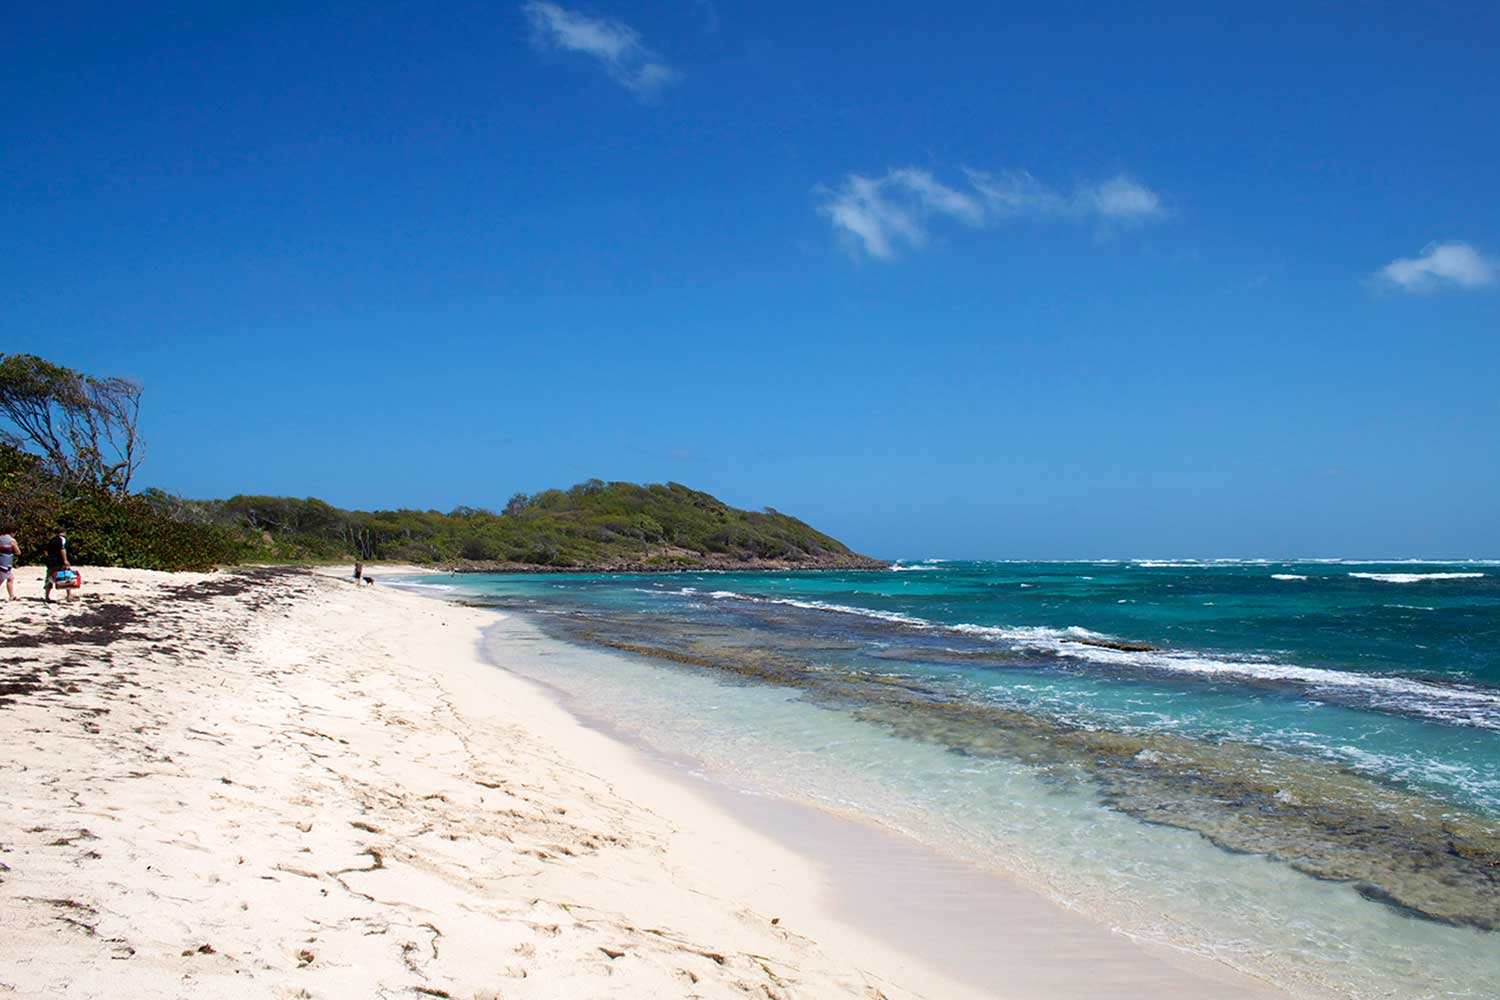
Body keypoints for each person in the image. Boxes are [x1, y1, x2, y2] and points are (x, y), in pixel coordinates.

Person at [44, 526, 72, 603]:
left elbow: (46, 550)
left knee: (49, 579)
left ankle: (47, 596)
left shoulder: (52, 540)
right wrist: (65, 560)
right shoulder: (62, 539)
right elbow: (62, 549)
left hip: (51, 562)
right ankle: (69, 596)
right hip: (59, 562)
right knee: (67, 578)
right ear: (64, 532)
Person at [0, 526, 17, 601]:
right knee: (1, 579)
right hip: (5, 562)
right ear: (13, 532)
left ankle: (11, 596)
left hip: (3, 561)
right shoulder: (12, 540)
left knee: (10, 578)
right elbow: (18, 552)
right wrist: (14, 546)